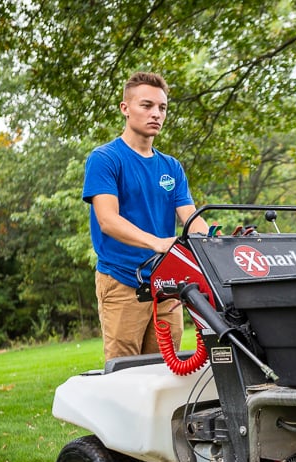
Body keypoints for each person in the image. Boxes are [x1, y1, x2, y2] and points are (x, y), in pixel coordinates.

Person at [83, 71, 208, 361]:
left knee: (167, 370)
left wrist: (213, 240)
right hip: (122, 281)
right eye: (147, 105)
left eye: (162, 108)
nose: (156, 114)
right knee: (125, 373)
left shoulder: (171, 166)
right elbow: (108, 220)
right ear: (125, 109)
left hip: (167, 285)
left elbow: (190, 216)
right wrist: (158, 242)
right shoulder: (105, 159)